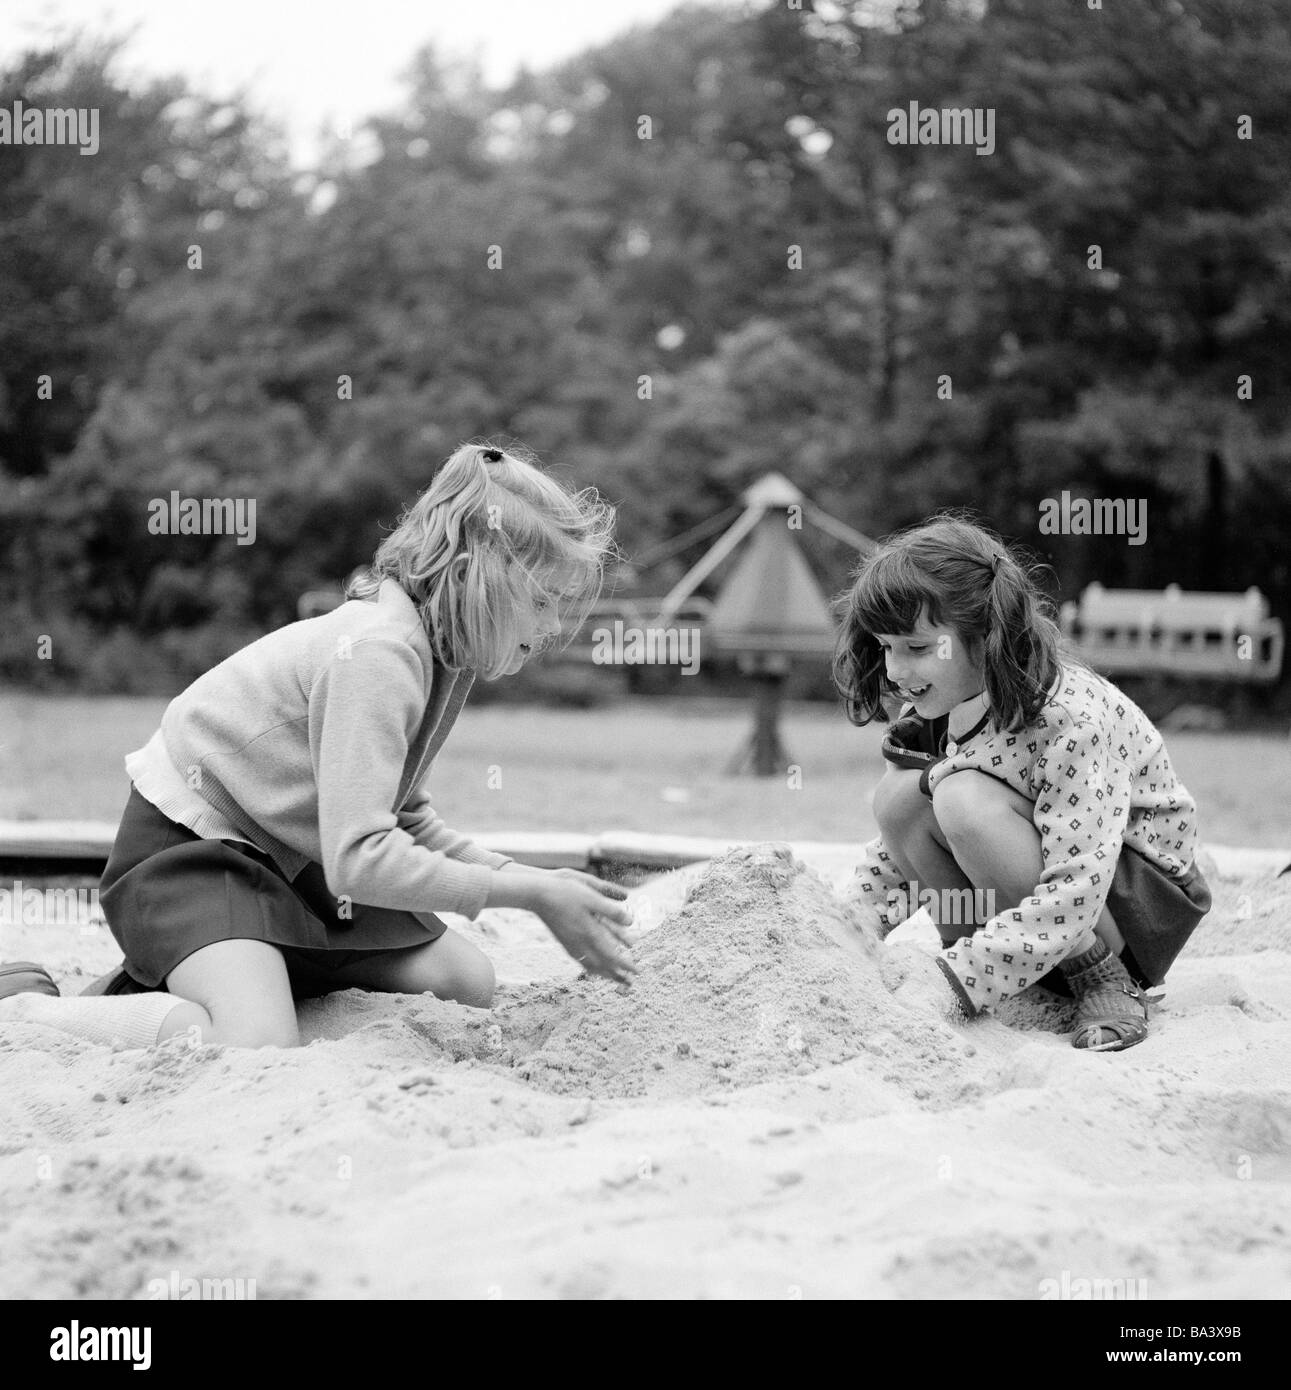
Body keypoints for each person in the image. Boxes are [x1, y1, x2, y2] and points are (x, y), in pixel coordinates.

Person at [0, 443, 634, 1050]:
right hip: (195, 848)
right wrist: (529, 894)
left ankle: (243, 967)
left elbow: (405, 818)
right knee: (255, 1038)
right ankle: (32, 1013)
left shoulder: (444, 654)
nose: (553, 628)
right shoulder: (381, 653)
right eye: (544, 601)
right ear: (473, 579)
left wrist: (538, 881)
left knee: (466, 984)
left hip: (295, 866)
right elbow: (361, 858)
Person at [834, 515, 1211, 1051]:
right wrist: (850, 927)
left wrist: (950, 984)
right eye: (885, 646)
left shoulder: (1072, 719)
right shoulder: (950, 703)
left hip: (1129, 906)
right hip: (1033, 913)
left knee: (961, 797)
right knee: (899, 797)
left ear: (986, 639)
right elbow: (899, 846)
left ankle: (1099, 979)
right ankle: (990, 963)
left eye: (916, 648)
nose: (894, 670)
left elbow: (1079, 883)